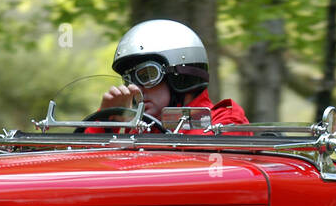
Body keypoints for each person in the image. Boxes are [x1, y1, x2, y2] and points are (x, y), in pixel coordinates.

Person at [93, 19, 248, 131]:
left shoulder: (223, 121)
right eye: (129, 80)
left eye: (147, 75)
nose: (136, 90)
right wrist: (106, 122)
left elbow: (202, 163)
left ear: (180, 76)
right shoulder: (138, 127)